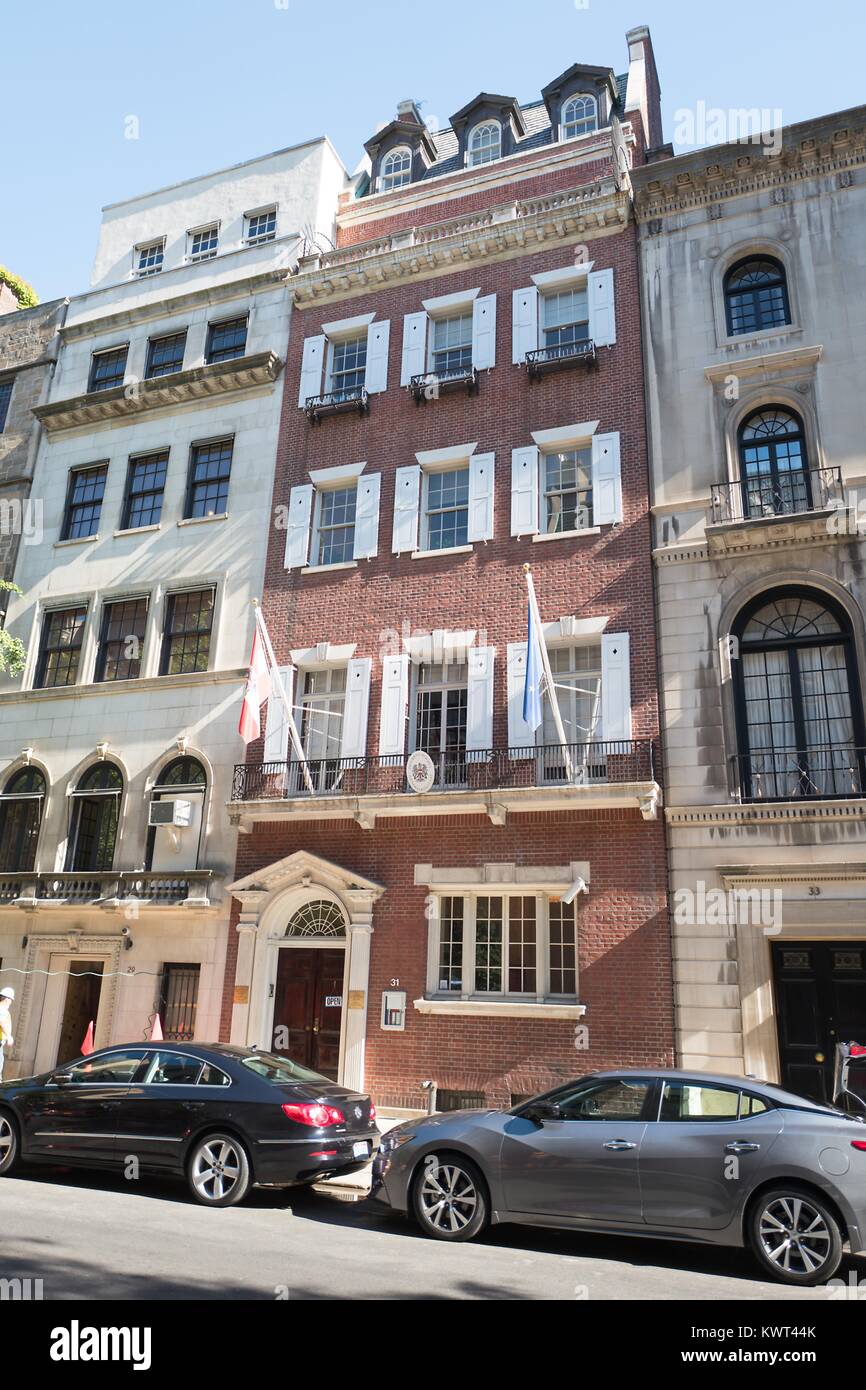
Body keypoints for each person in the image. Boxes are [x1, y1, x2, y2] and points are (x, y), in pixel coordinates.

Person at [0, 987, 14, 1082]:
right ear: (7, 999)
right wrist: (9, 1036)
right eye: (11, 1000)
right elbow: (1, 1022)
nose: (11, 1002)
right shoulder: (2, 1009)